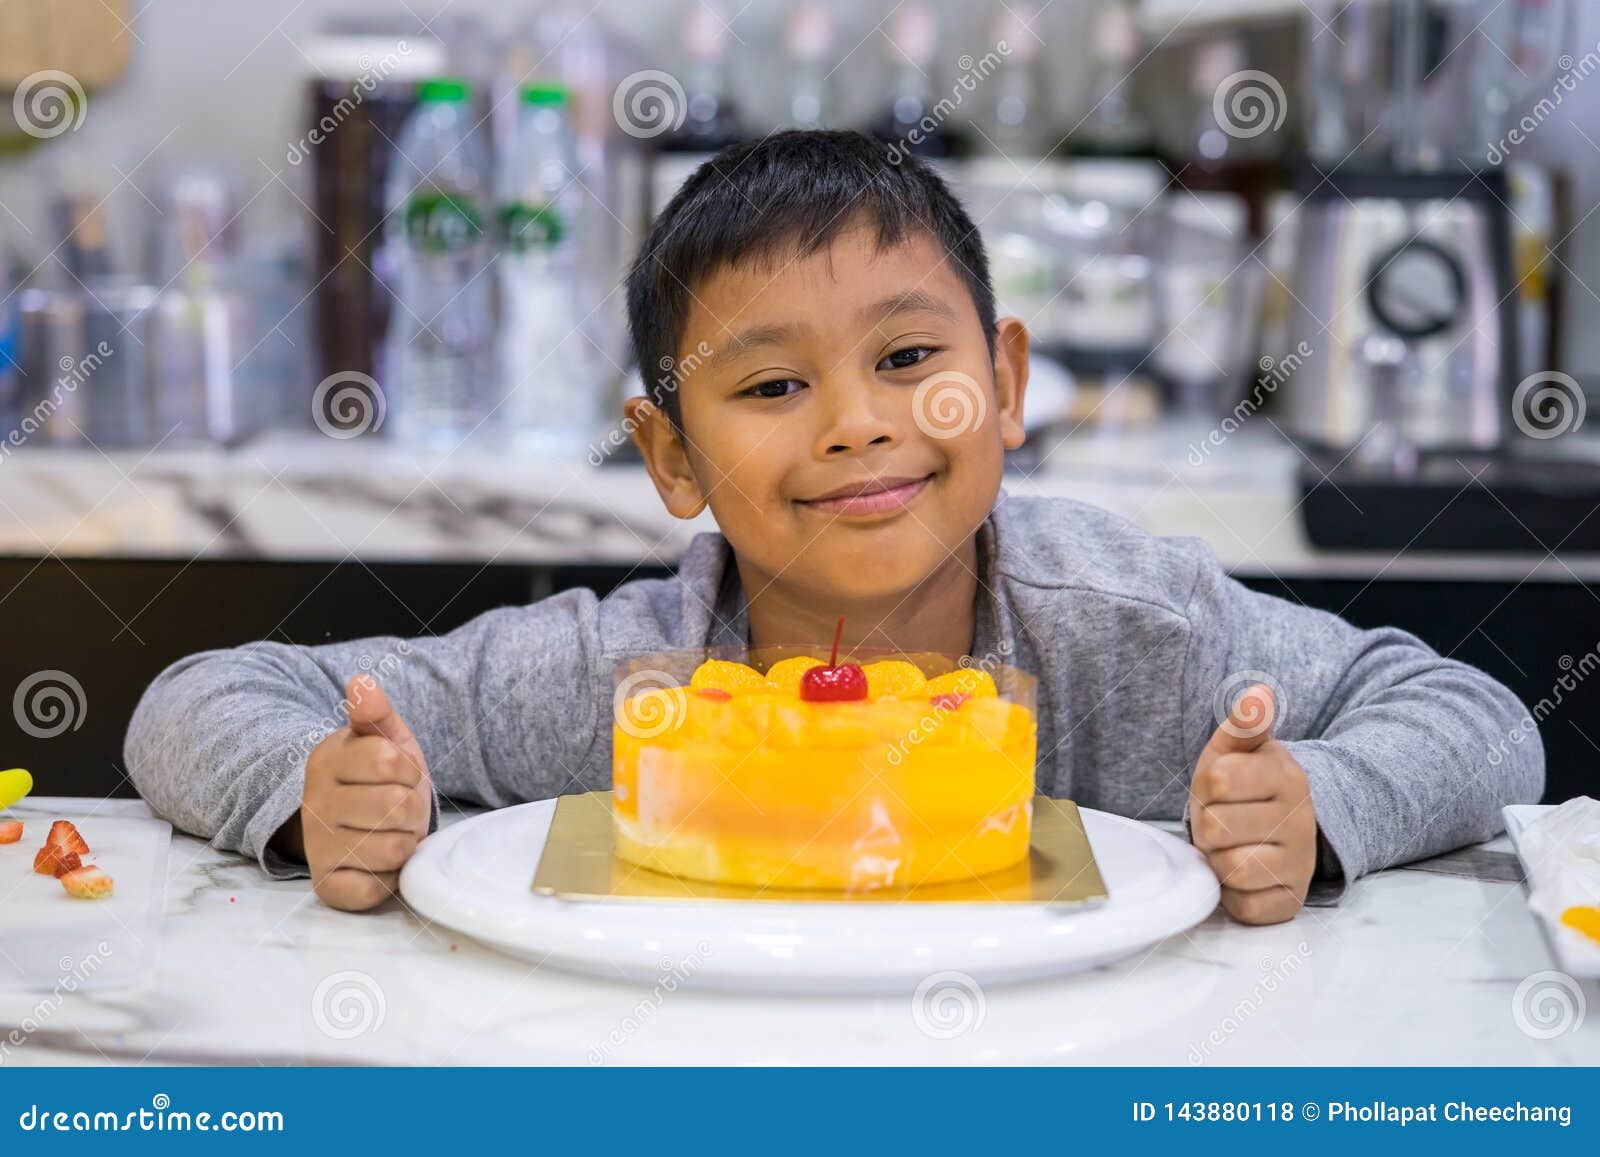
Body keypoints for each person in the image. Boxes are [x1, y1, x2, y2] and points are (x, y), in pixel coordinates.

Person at [126, 131, 1543, 921]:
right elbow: (195, 695)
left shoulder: (1134, 628)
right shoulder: (630, 682)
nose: (857, 424)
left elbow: (1475, 711)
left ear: (1006, 387)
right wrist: (315, 792)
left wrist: (1321, 804)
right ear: (670, 456)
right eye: (774, 384)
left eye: (912, 361)